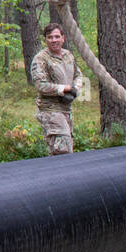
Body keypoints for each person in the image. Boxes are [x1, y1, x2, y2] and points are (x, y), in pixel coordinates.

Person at [30, 22, 86, 155]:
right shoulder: (41, 59)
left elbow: (78, 75)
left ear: (63, 38)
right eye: (50, 37)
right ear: (45, 40)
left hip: (66, 109)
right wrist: (64, 89)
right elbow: (41, 85)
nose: (54, 40)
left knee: (64, 148)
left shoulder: (68, 55)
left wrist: (75, 89)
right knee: (62, 149)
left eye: (56, 36)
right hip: (50, 110)